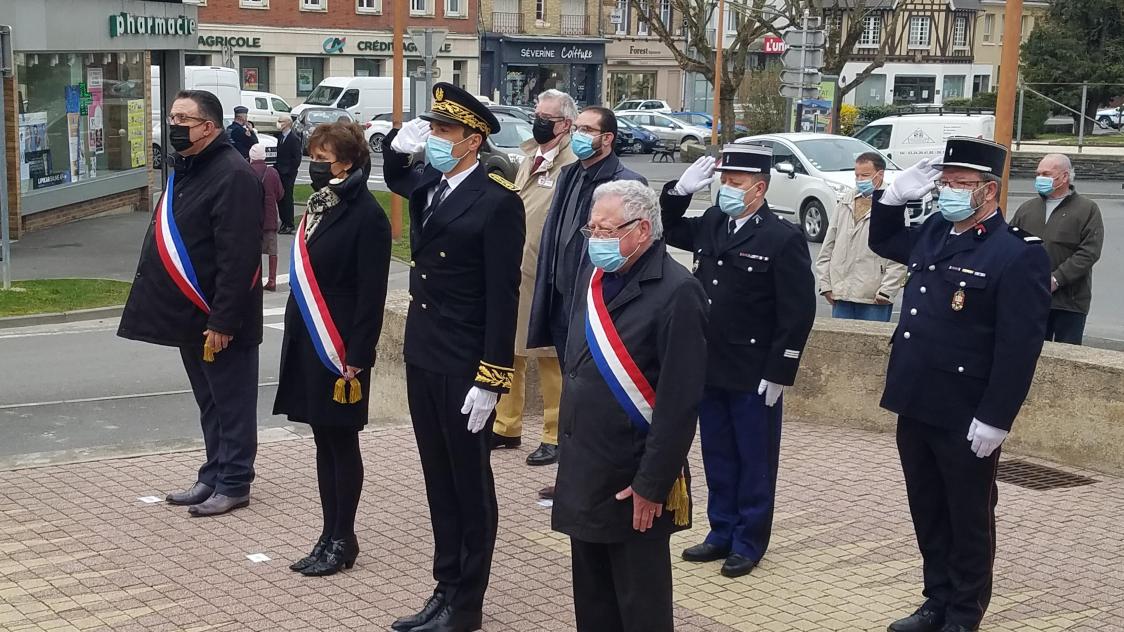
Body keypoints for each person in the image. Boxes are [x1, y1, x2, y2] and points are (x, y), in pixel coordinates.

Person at [868, 138, 1051, 632]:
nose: (946, 190)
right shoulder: (935, 231)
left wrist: (996, 417)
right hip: (917, 399)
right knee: (927, 510)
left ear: (988, 192)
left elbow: (1018, 349)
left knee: (967, 518)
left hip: (966, 412)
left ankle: (964, 614)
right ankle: (936, 601)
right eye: (943, 181)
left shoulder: (1015, 254)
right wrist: (890, 198)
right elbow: (883, 242)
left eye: (958, 183)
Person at [383, 83, 525, 632]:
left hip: (465, 362)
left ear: (472, 140)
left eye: (443, 131)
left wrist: (492, 377)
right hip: (425, 352)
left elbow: (502, 294)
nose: (435, 139)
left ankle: (466, 604)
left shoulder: (496, 200)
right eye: (434, 130)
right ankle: (443, 588)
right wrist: (399, 147)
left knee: (470, 482)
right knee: (437, 478)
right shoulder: (434, 186)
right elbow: (398, 178)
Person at [552, 180, 708, 632]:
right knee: (594, 602)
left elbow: (679, 404)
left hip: (632, 478)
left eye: (605, 231)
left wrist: (653, 485)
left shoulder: (679, 291)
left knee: (640, 606)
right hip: (587, 467)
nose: (595, 240)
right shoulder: (595, 274)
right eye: (591, 230)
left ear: (641, 230)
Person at [660, 145, 816, 578]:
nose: (725, 188)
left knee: (754, 458)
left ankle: (749, 540)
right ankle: (721, 531)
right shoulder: (713, 222)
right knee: (718, 453)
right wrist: (679, 191)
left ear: (759, 188)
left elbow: (797, 311)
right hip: (710, 361)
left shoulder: (781, 238)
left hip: (753, 369)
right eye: (723, 180)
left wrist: (780, 369)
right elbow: (665, 227)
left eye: (735, 182)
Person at [118, 90, 263, 517]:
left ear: (208, 127)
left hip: (220, 319)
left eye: (184, 118)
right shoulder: (190, 169)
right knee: (210, 401)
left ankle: (235, 481)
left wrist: (223, 321)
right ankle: (213, 473)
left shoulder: (232, 174)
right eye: (172, 117)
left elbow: (237, 258)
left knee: (232, 402)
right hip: (190, 316)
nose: (174, 125)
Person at [275, 121, 392, 577]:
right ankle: (328, 533)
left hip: (340, 347)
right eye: (313, 158)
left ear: (346, 162)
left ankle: (343, 537)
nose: (314, 167)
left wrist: (358, 354)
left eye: (322, 160)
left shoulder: (367, 215)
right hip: (311, 337)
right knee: (324, 440)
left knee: (341, 442)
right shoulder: (321, 205)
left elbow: (371, 292)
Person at [525, 106, 645, 499]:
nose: (578, 135)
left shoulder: (626, 183)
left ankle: (599, 480)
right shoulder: (570, 175)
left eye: (587, 129)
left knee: (597, 398)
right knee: (571, 397)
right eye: (576, 128)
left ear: (607, 138)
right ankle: (570, 478)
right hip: (562, 302)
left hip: (595, 307)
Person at [491, 89, 578, 465]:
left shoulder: (571, 163)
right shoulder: (530, 155)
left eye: (547, 117)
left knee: (548, 357)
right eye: (537, 115)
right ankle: (505, 426)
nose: (539, 122)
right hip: (515, 266)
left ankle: (554, 434)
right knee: (510, 351)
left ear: (565, 124)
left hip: (546, 272)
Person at [1010, 153, 1104, 345]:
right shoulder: (1027, 209)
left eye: (1046, 173)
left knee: (1067, 360)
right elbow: (1010, 244)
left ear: (1064, 177)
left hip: (1069, 303)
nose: (1039, 178)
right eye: (1038, 173)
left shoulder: (1087, 209)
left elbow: (1089, 252)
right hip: (1031, 299)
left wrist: (1056, 279)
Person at [815, 151, 908, 321]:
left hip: (874, 297)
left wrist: (887, 290)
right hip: (841, 293)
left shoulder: (892, 203)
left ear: (880, 174)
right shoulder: (845, 200)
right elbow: (829, 243)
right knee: (838, 345)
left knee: (870, 345)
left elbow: (900, 254)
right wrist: (825, 284)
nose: (860, 180)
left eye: (865, 175)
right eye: (856, 175)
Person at [249, 143, 282, 291]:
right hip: (269, 218)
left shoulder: (246, 171)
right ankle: (272, 280)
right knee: (272, 250)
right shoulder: (272, 172)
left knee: (253, 251)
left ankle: (255, 280)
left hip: (252, 217)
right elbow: (281, 194)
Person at [275, 114, 303, 235]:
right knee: (280, 198)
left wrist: (290, 171)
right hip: (279, 171)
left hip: (288, 174)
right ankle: (284, 221)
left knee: (287, 198)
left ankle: (289, 224)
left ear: (287, 123)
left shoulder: (294, 138)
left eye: (281, 121)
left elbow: (296, 158)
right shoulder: (281, 137)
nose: (279, 123)